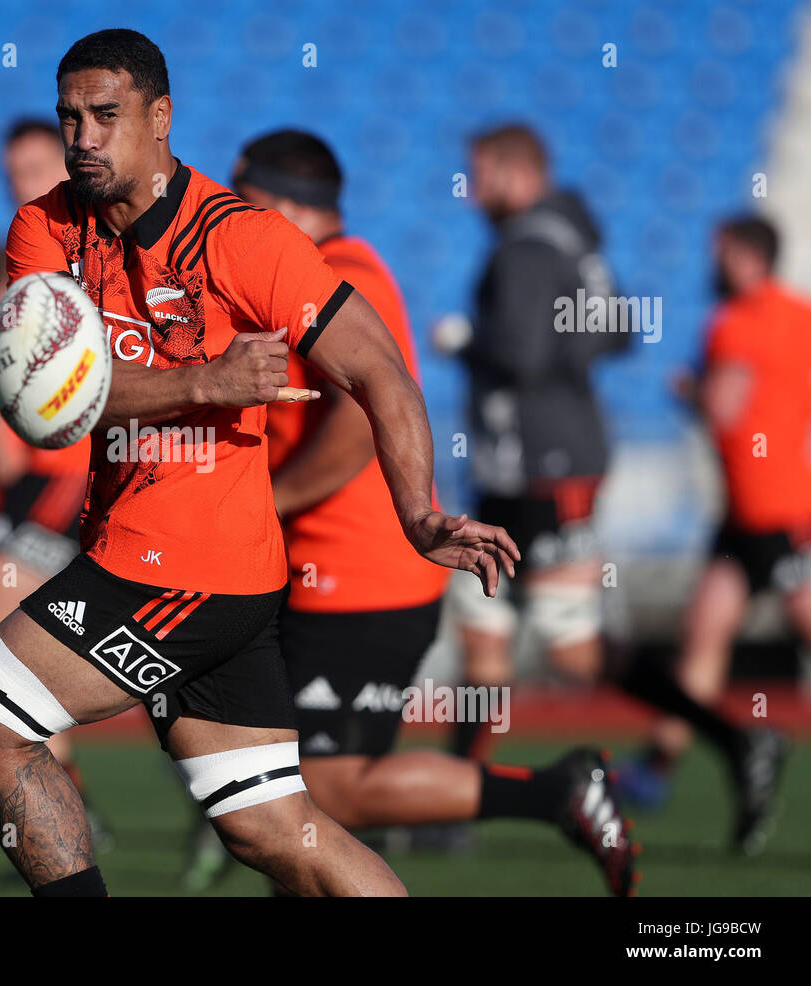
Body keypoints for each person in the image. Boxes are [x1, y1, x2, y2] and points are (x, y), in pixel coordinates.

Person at [0, 29, 518, 898]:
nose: (83, 137)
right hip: (178, 565)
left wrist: (418, 511)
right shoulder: (44, 228)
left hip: (186, 566)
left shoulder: (240, 239)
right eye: (71, 118)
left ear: (160, 117)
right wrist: (205, 378)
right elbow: (51, 400)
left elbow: (379, 367)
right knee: (277, 831)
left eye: (106, 115)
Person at [179, 128, 633, 896]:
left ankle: (558, 792)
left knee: (333, 791)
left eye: (244, 199)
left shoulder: (343, 276)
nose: (231, 216)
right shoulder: (298, 276)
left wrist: (260, 501)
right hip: (313, 577)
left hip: (362, 579)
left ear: (289, 204)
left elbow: (357, 431)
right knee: (288, 798)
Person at [434, 124, 629, 765]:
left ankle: (725, 734)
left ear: (517, 173)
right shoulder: (574, 239)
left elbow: (521, 352)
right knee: (484, 620)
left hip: (541, 465)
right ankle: (459, 788)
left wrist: (463, 341)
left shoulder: (523, 248)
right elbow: (622, 328)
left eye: (480, 175)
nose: (471, 193)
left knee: (569, 646)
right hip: (543, 461)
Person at [0, 122, 105, 839]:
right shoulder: (11, 294)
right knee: (8, 661)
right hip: (37, 489)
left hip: (65, 486)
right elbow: (4, 457)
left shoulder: (93, 256)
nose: (18, 185)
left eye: (32, 168)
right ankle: (68, 814)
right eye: (10, 173)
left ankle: (66, 817)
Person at [616, 216, 796, 853]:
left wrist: (689, 389)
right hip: (749, 516)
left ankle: (676, 766)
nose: (711, 264)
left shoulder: (736, 322)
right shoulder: (798, 315)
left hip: (783, 516)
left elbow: (723, 406)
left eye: (720, 253)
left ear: (747, 257)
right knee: (706, 631)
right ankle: (659, 766)